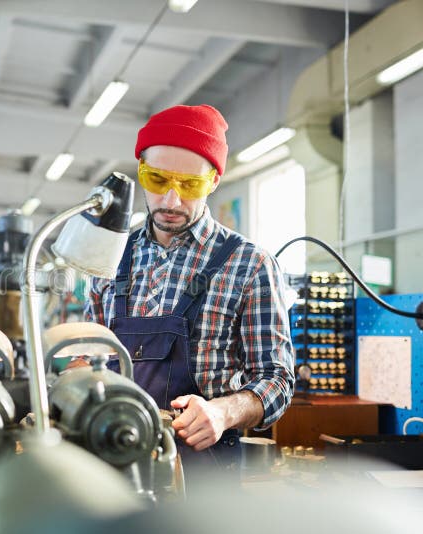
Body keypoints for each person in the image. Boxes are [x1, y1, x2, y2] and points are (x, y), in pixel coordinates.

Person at [81, 104, 295, 471]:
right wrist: (77, 373)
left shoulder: (250, 264)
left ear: (213, 181)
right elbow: (90, 354)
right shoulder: (111, 257)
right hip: (113, 461)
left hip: (204, 473)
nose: (171, 201)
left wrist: (223, 411)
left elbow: (277, 380)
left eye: (190, 185)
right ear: (141, 172)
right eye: (158, 181)